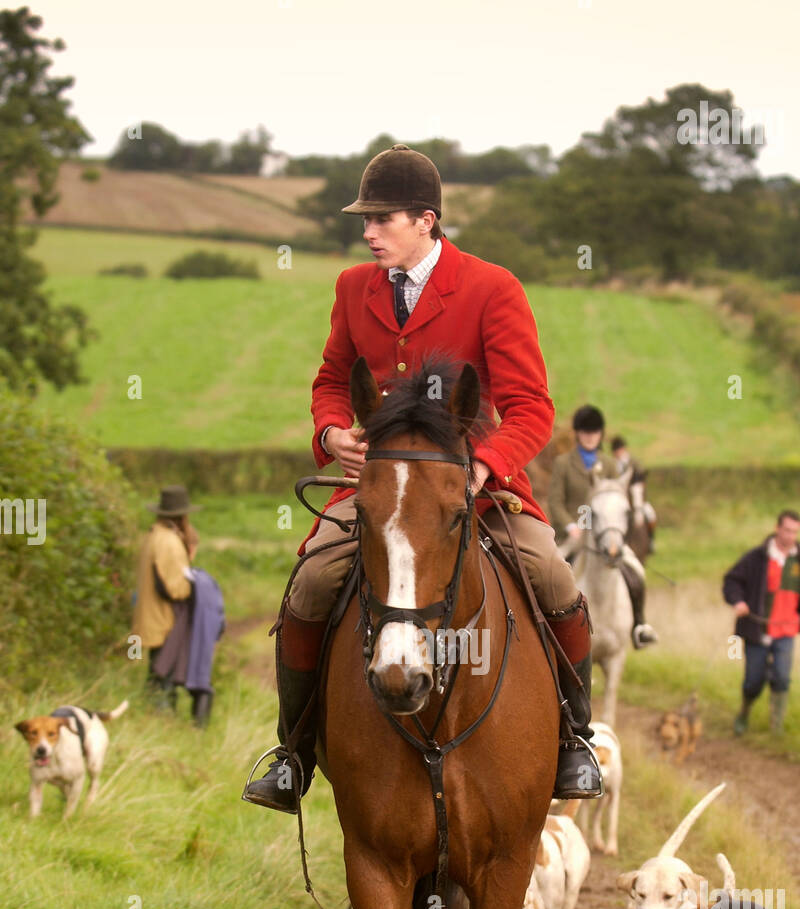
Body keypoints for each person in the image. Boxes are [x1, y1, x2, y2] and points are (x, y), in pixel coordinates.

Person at [244, 142, 603, 814]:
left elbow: (532, 407)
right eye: (365, 221)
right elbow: (330, 380)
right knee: (314, 581)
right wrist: (332, 434)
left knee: (552, 574)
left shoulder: (493, 288)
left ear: (427, 221)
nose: (368, 233)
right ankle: (292, 753)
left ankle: (573, 740)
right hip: (379, 491)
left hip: (475, 485)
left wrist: (488, 464)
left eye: (382, 220)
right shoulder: (353, 287)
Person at [548, 406, 658, 649]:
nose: (590, 436)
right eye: (586, 432)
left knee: (636, 569)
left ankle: (640, 625)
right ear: (578, 433)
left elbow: (618, 499)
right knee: (550, 574)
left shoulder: (609, 465)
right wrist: (570, 525)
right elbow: (555, 500)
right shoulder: (563, 464)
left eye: (594, 432)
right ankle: (547, 627)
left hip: (604, 534)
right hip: (574, 534)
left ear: (600, 434)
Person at [723, 509, 800, 735]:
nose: (791, 536)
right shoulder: (756, 557)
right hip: (758, 629)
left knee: (782, 678)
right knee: (753, 681)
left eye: (795, 532)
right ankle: (744, 712)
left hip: (787, 629)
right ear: (777, 529)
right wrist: (738, 602)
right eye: (787, 530)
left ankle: (776, 727)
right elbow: (731, 581)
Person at [132, 486, 224, 725]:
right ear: (182, 515)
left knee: (158, 674)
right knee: (164, 678)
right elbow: (176, 588)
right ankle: (162, 725)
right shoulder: (170, 542)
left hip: (152, 617)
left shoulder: (153, 535)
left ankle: (155, 723)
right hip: (165, 621)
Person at [611, 434, 657, 554]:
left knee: (651, 514)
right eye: (616, 451)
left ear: (624, 449)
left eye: (619, 450)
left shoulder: (634, 462)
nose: (618, 453)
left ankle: (651, 540)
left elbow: (641, 478)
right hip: (620, 498)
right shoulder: (612, 464)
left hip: (636, 496)